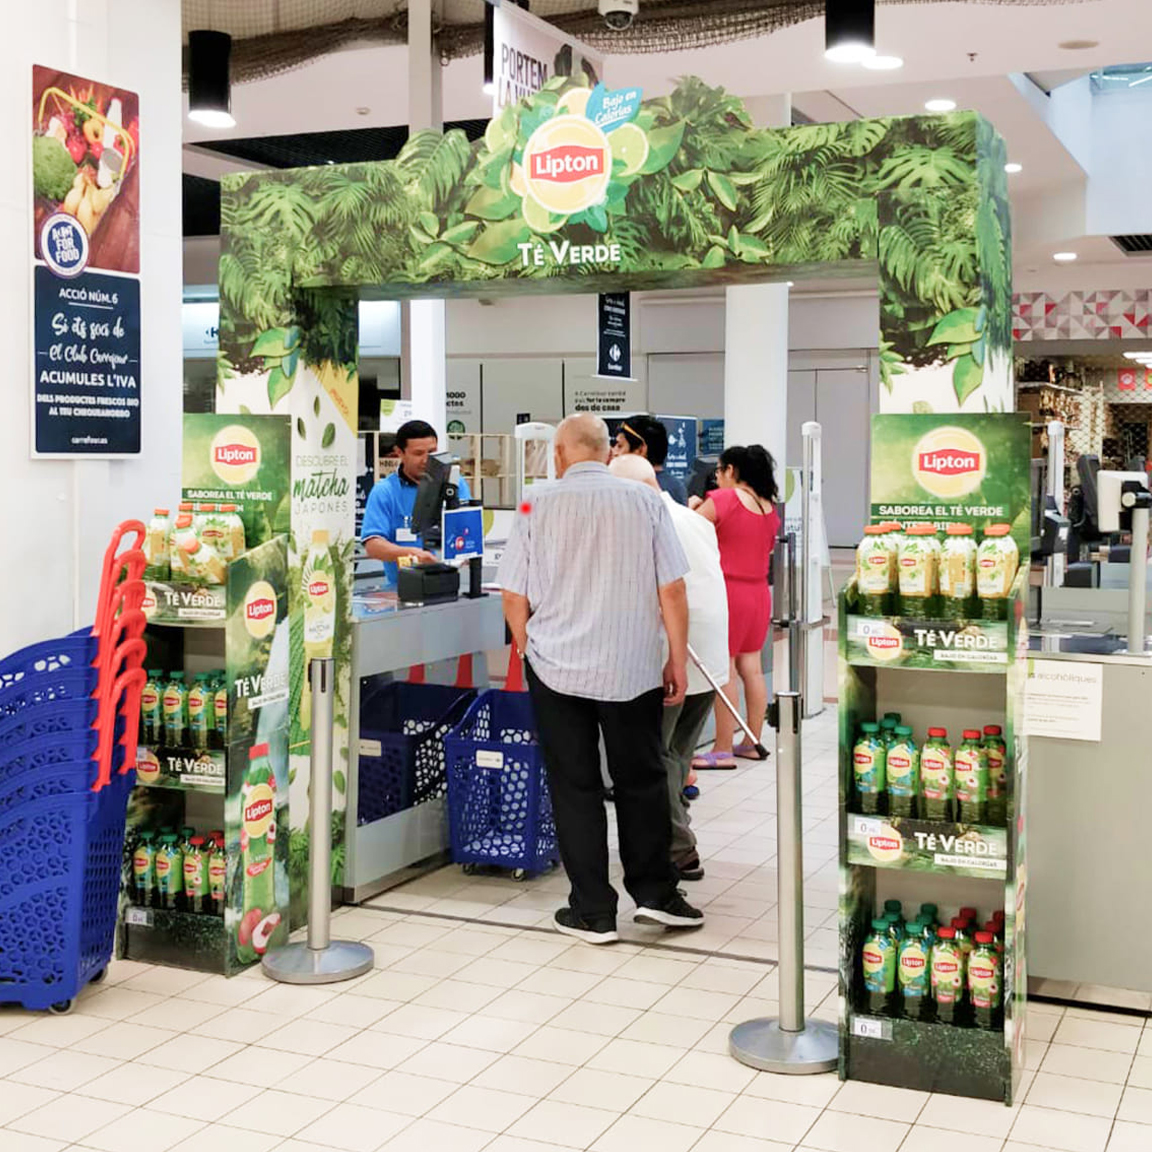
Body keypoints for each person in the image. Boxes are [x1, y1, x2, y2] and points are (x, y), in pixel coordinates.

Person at [499, 413, 704, 945]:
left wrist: (525, 645)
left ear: (559, 454)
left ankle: (592, 911)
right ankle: (656, 895)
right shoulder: (645, 501)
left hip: (555, 666)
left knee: (575, 786)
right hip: (631, 666)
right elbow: (673, 588)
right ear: (608, 453)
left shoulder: (533, 503)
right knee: (641, 779)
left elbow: (513, 592)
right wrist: (676, 660)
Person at [609, 455, 728, 882]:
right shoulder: (693, 518)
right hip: (710, 655)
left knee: (656, 758)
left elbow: (660, 593)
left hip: (673, 656)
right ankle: (675, 840)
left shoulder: (644, 522)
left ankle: (679, 850)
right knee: (677, 754)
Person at [691, 444, 780, 769]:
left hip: (728, 593)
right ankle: (752, 741)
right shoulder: (768, 508)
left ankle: (722, 748)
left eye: (719, 470)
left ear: (732, 470)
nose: (717, 477)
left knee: (724, 668)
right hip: (759, 593)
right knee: (751, 668)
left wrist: (693, 507)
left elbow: (689, 531)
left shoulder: (723, 500)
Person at [361, 419, 471, 589]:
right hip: (402, 590)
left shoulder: (455, 483)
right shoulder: (385, 491)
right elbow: (373, 545)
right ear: (399, 452)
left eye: (432, 452)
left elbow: (467, 529)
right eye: (418, 453)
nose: (426, 460)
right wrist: (411, 554)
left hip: (451, 585)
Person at [612, 414, 690, 506]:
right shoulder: (678, 486)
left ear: (641, 449)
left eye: (620, 446)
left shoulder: (632, 489)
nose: (614, 452)